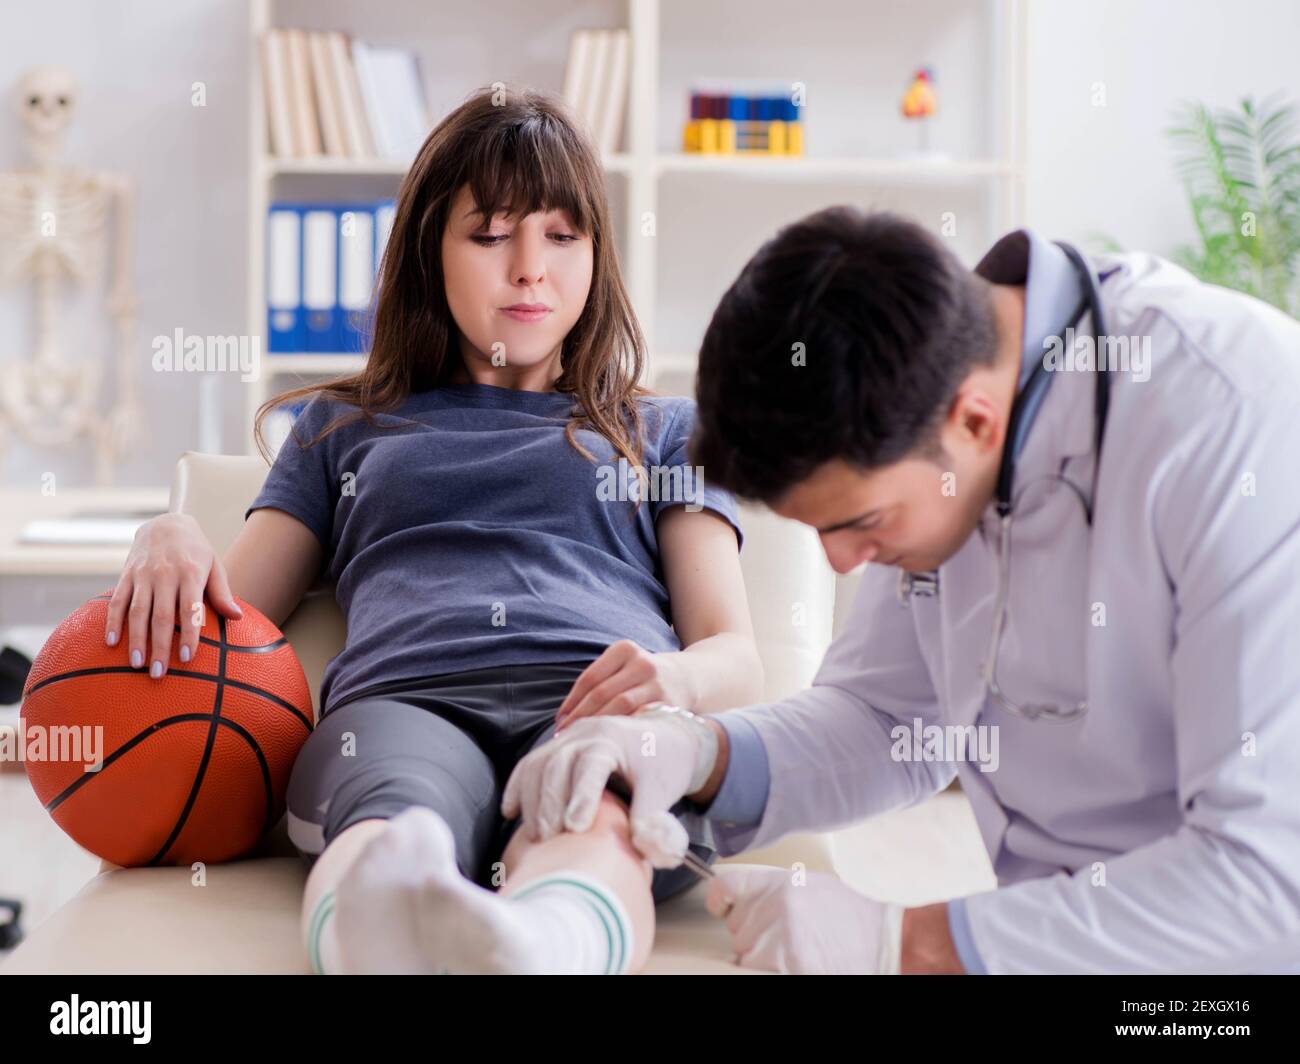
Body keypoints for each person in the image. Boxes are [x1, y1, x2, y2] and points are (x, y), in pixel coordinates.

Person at [504, 208, 1300, 974]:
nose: (846, 565)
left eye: (862, 521)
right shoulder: (939, 388)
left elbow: (1268, 886)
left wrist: (915, 945)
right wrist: (699, 752)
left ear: (975, 424)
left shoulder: (1236, 419)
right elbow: (887, 718)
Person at [102, 87, 760, 975]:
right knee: (391, 812)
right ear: (429, 254)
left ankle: (539, 950)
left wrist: (671, 677)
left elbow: (736, 653)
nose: (530, 268)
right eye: (490, 235)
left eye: (562, 236)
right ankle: (384, 930)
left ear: (597, 255)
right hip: (405, 705)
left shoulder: (667, 429)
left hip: (598, 710)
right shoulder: (345, 425)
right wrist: (168, 535)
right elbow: (231, 620)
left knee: (596, 812)